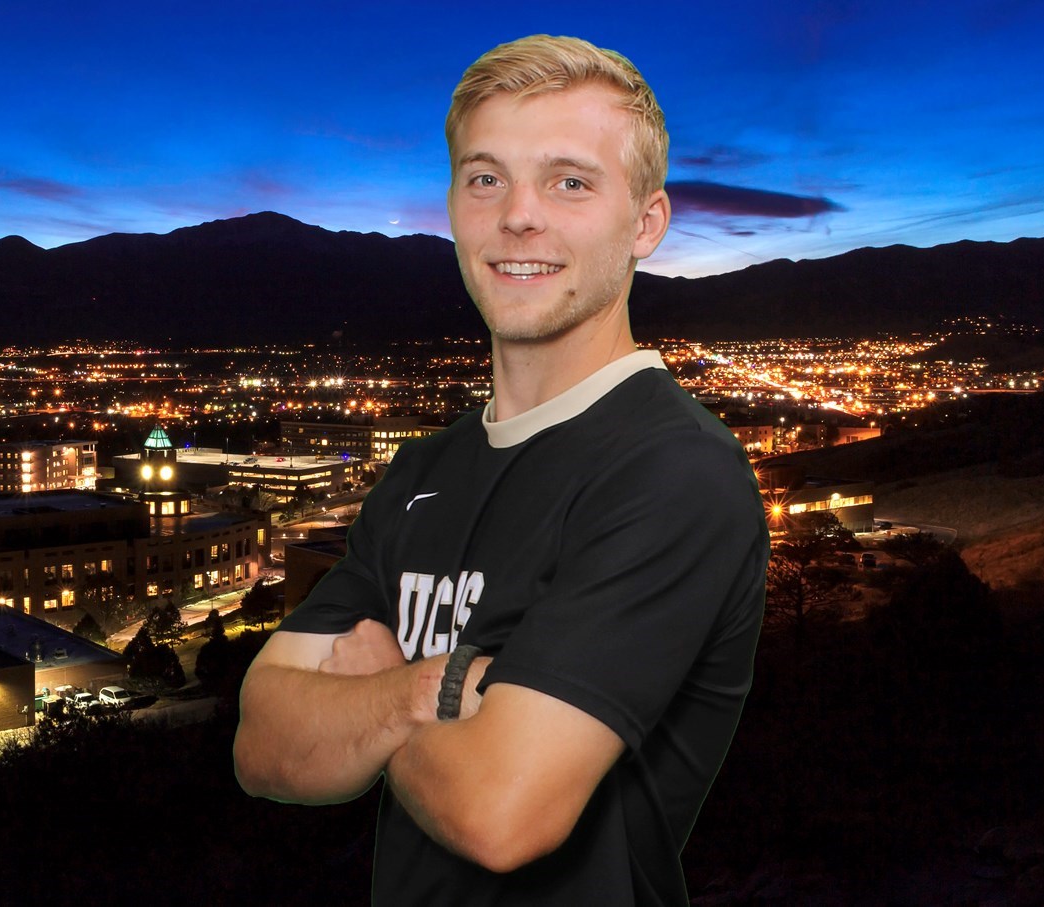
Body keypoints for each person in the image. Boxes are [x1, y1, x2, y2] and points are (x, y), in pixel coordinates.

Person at [232, 34, 768, 905]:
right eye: (486, 178)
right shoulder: (418, 471)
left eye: (570, 181)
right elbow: (262, 742)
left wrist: (369, 696)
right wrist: (431, 691)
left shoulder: (674, 470)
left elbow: (500, 812)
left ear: (646, 223)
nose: (519, 215)